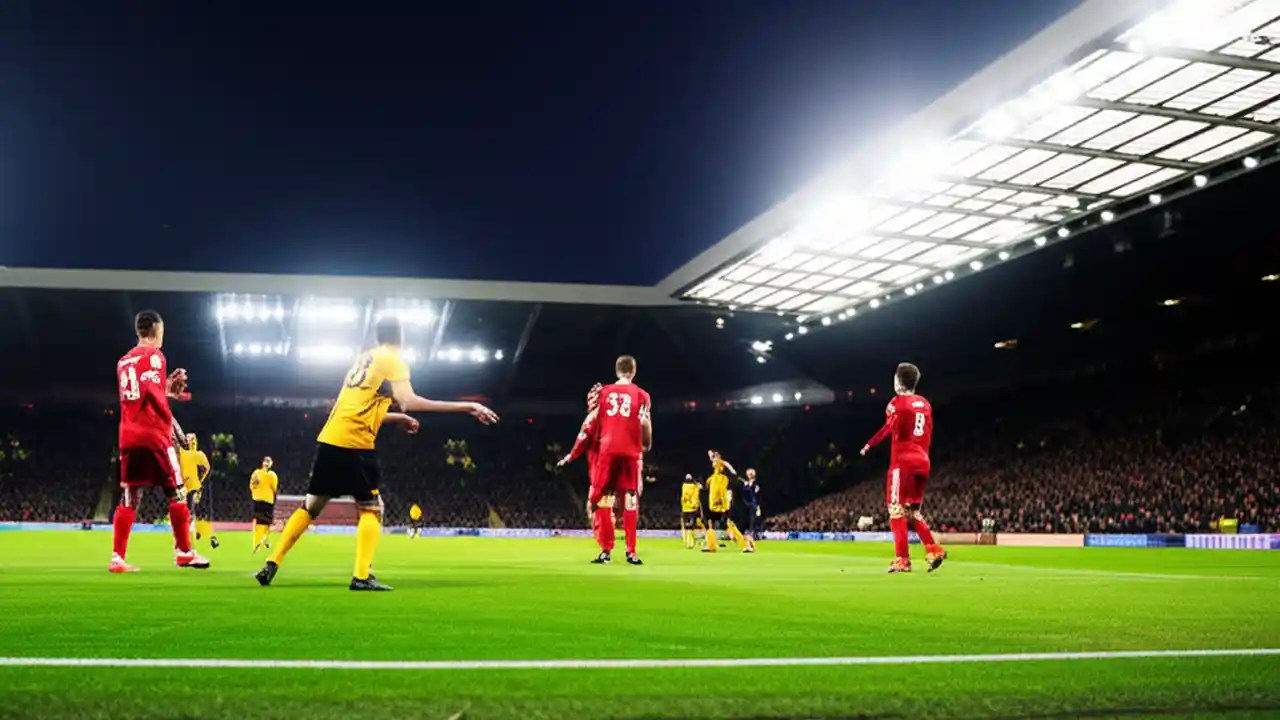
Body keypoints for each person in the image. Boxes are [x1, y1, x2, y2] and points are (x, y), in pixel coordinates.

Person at [254, 316, 498, 591]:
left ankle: (271, 563)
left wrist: (397, 419)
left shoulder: (363, 359)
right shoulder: (393, 358)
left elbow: (360, 408)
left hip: (330, 439)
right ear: (401, 337)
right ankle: (361, 576)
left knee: (310, 507)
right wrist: (467, 407)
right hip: (356, 444)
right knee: (372, 508)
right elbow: (409, 401)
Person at [110, 309, 210, 572]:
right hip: (153, 434)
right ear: (156, 328)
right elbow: (153, 399)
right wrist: (174, 427)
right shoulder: (155, 356)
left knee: (130, 495)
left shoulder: (123, 361)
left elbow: (142, 393)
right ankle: (184, 552)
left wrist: (167, 390)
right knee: (176, 491)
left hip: (128, 435)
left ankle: (117, 558)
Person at [560, 356, 651, 565]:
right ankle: (631, 552)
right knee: (630, 502)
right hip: (631, 454)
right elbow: (646, 429)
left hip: (608, 451)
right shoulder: (643, 395)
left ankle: (606, 551)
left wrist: (572, 455)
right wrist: (644, 446)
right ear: (634, 371)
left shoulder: (604, 392)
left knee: (603, 501)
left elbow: (591, 422)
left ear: (617, 370)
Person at [861, 362, 945, 573]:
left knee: (896, 508)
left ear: (898, 382)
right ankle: (933, 549)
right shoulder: (925, 404)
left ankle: (902, 559)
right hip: (923, 460)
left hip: (903, 462)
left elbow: (888, 427)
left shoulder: (896, 403)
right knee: (913, 511)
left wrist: (869, 444)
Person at [178, 433, 214, 549]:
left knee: (191, 512)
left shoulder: (195, 454)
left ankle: (190, 539)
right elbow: (206, 468)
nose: (189, 440)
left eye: (191, 438)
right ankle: (201, 534)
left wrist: (200, 480)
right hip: (185, 487)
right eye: (187, 438)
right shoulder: (183, 453)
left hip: (193, 487)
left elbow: (206, 468)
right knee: (192, 512)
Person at [249, 456, 279, 553]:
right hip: (267, 500)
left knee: (258, 521)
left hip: (257, 499)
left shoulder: (256, 473)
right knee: (267, 522)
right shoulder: (272, 475)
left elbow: (251, 486)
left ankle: (257, 542)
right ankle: (264, 538)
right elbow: (274, 488)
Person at [740, 468, 762, 551]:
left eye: (751, 474)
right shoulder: (746, 484)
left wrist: (749, 486)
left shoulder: (756, 484)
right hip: (746, 507)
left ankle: (750, 545)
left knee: (752, 526)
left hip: (754, 506)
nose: (750, 475)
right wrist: (746, 486)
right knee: (747, 526)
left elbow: (756, 494)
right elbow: (744, 495)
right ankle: (749, 544)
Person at [679, 473, 702, 549]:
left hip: (685, 509)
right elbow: (696, 495)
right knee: (691, 526)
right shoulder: (695, 487)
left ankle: (687, 543)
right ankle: (691, 542)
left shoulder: (684, 486)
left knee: (685, 526)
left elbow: (683, 498)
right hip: (692, 509)